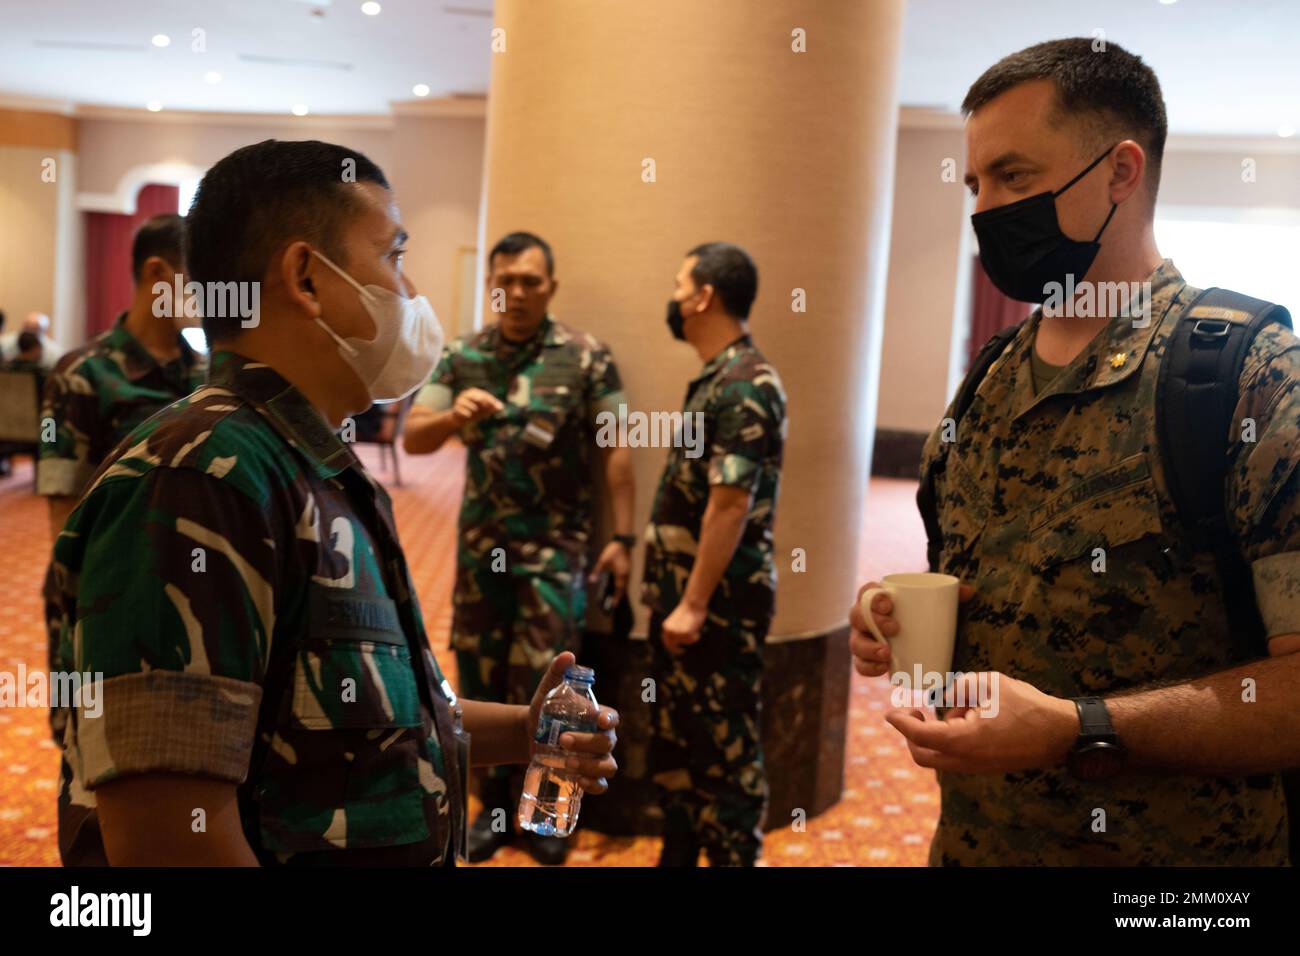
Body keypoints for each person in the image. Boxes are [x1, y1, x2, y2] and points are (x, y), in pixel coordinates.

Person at [51, 139, 619, 866]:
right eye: (392, 256)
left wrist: (527, 728)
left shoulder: (310, 466)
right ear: (307, 279)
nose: (410, 291)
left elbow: (363, 716)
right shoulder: (201, 479)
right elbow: (168, 836)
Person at [850, 38, 1299, 865]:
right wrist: (895, 620)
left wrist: (1079, 731)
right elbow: (986, 592)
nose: (987, 210)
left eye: (1016, 177)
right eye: (976, 185)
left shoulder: (1249, 378)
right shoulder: (986, 384)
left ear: (1121, 172)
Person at [403, 231, 636, 865]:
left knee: (552, 682)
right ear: (492, 284)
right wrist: (454, 419)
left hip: (555, 552)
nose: (520, 291)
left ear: (551, 287)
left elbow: (616, 450)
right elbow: (414, 438)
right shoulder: (464, 354)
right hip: (483, 551)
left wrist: (622, 537)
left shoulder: (586, 357)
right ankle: (493, 811)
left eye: (533, 280)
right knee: (477, 674)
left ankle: (548, 816)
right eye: (507, 279)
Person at [642, 242, 786, 867]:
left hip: (718, 607)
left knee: (726, 754)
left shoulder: (746, 384)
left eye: (679, 285)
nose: (672, 298)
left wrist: (694, 605)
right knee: (679, 745)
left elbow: (729, 505)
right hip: (684, 601)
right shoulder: (716, 377)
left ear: (704, 296)